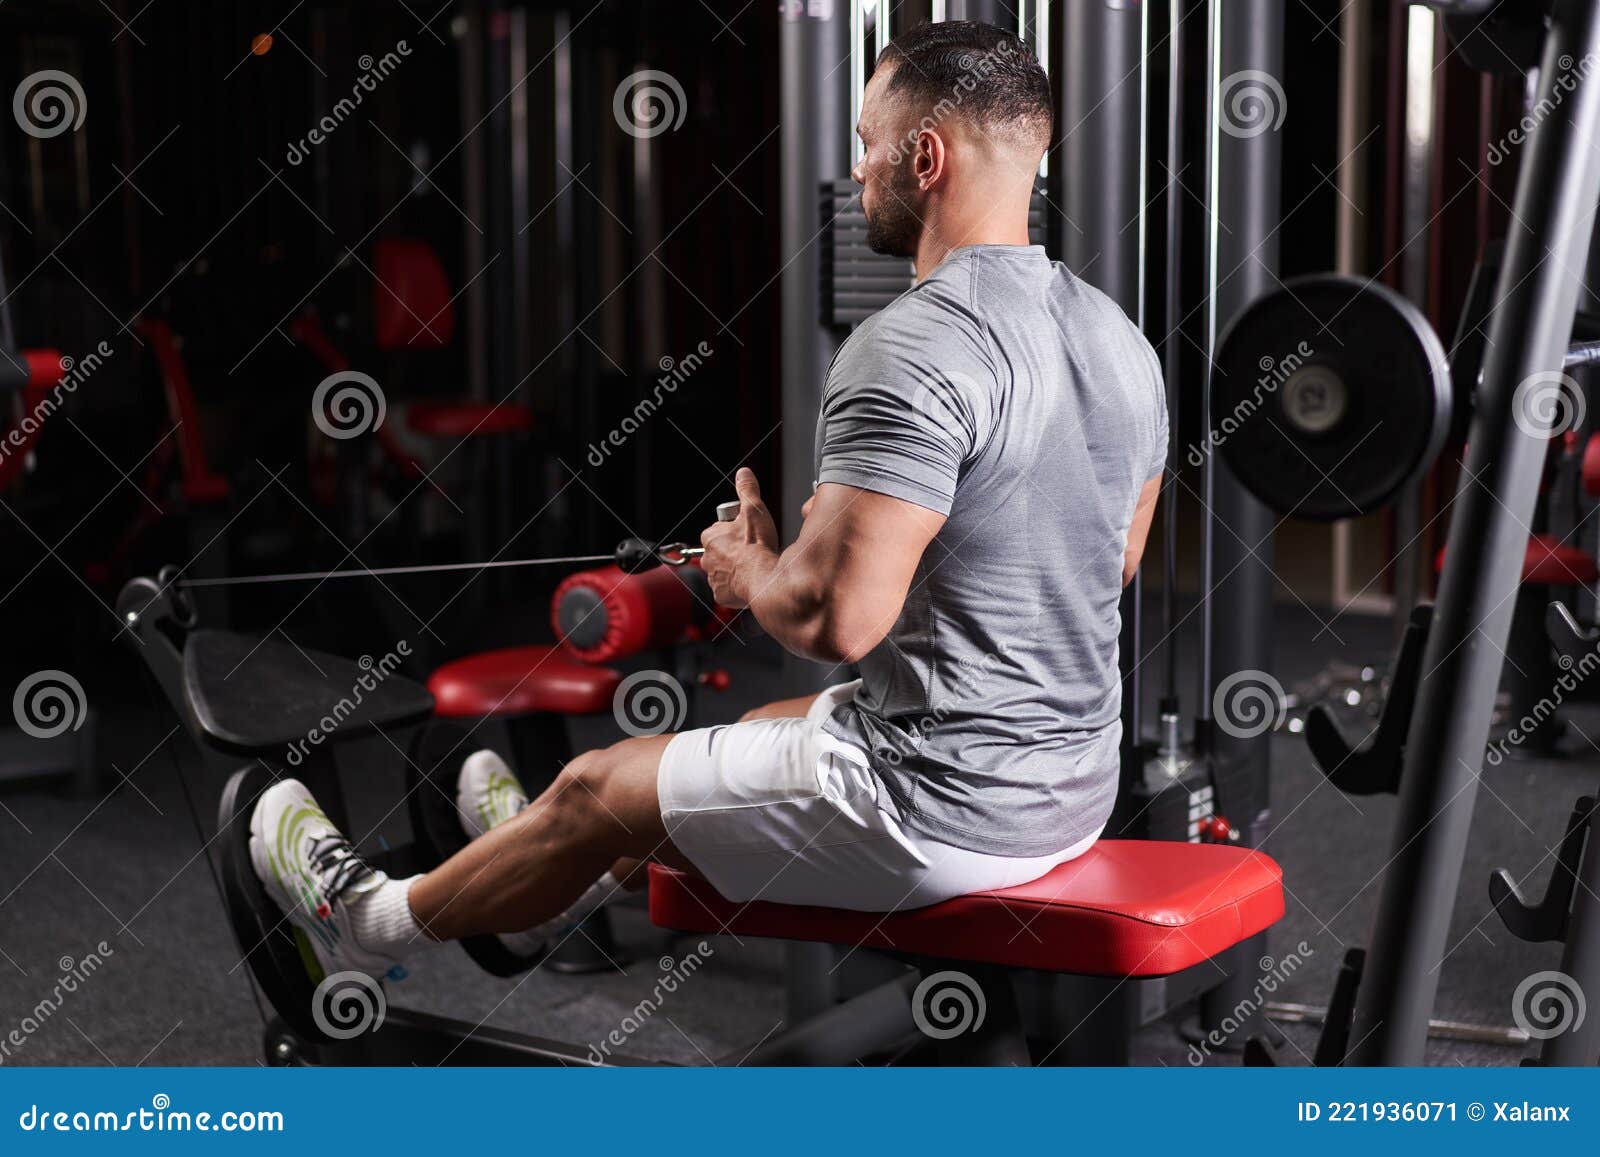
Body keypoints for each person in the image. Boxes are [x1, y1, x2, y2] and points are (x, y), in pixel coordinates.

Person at [248, 19, 1168, 977]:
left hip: (938, 811)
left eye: (869, 143)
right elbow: (1110, 561)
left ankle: (366, 923)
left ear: (926, 157)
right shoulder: (1118, 340)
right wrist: (890, 545)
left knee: (592, 786)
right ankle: (534, 894)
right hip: (1074, 791)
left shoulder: (910, 344)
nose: (859, 169)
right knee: (759, 732)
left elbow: (834, 622)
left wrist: (753, 570)